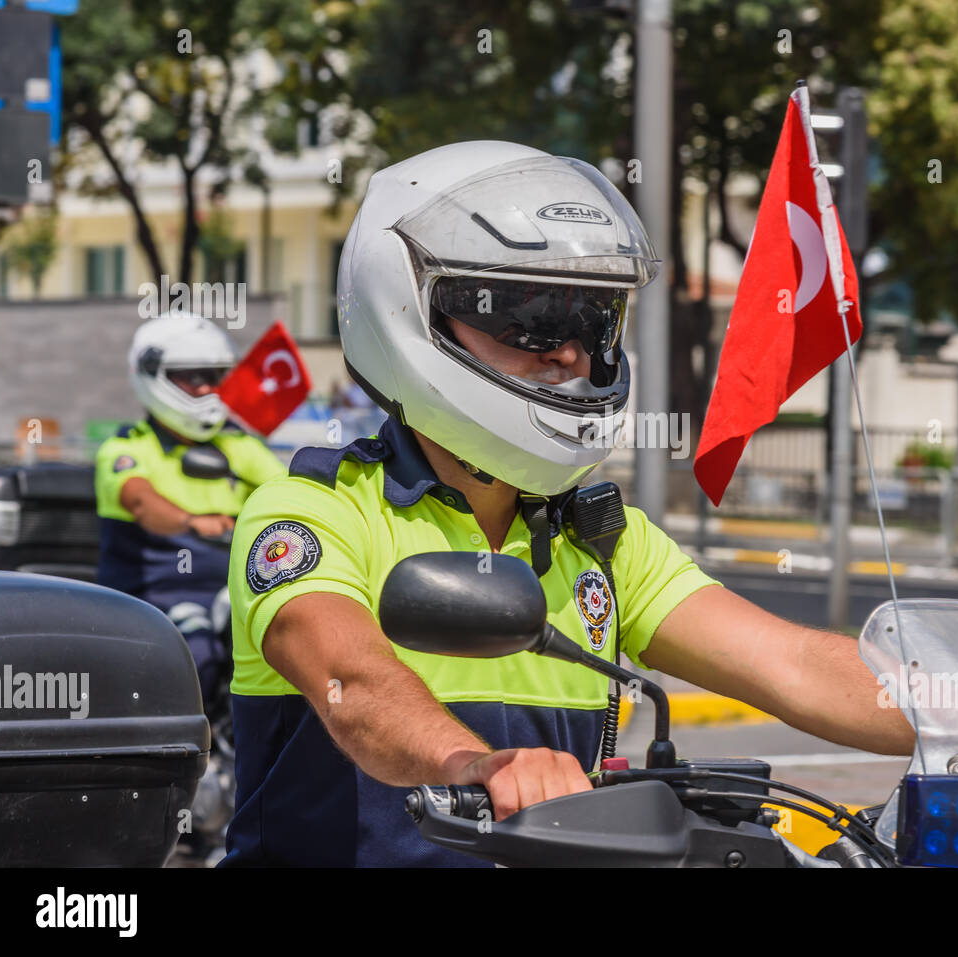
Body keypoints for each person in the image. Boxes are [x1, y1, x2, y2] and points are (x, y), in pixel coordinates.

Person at [222, 141, 914, 867]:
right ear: (411, 307)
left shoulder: (603, 539)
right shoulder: (314, 511)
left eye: (593, 319)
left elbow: (794, 664)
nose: (571, 354)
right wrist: (473, 763)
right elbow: (350, 682)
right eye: (532, 319)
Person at [95, 314, 286, 708]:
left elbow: (290, 492)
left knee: (291, 647)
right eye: (191, 376)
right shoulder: (129, 448)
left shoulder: (239, 446)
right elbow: (140, 501)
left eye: (215, 376)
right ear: (151, 375)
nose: (205, 388)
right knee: (197, 658)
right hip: (155, 597)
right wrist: (190, 522)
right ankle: (189, 758)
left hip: (237, 589)